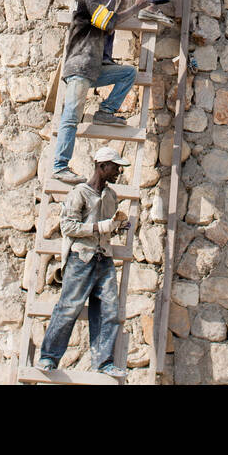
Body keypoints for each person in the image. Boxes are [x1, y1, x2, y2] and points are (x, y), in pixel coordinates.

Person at [37, 147, 133, 379]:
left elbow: (108, 226)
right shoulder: (79, 193)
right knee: (69, 307)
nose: (118, 171)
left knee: (109, 311)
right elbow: (68, 227)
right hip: (82, 258)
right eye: (115, 166)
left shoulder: (111, 196)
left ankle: (104, 362)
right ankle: (49, 357)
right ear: (102, 167)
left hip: (104, 259)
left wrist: (118, 226)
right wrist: (98, 227)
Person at [49, 0, 150, 184]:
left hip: (92, 68)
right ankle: (59, 166)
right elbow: (110, 22)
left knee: (127, 73)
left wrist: (122, 1)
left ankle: (105, 111)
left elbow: (106, 26)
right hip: (80, 68)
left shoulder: (89, 5)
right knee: (71, 118)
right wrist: (135, 7)